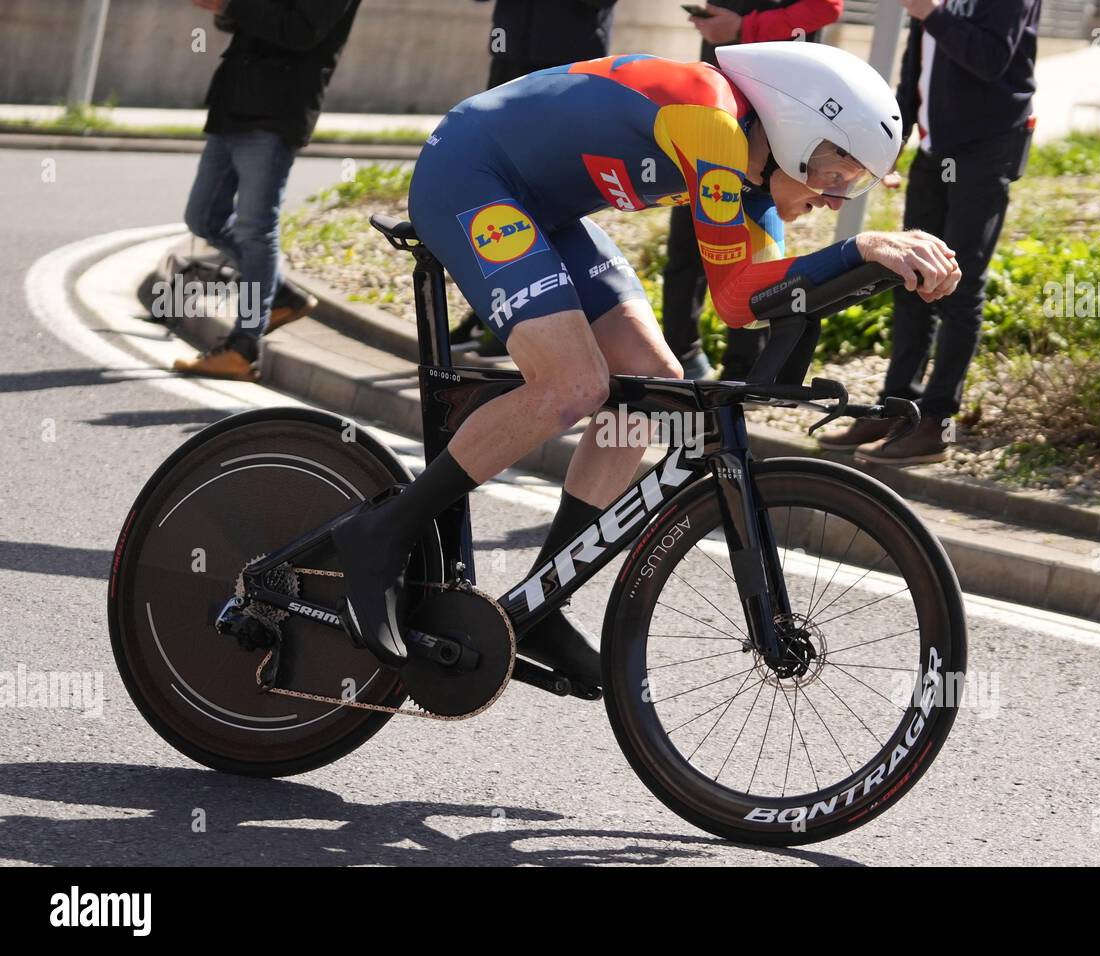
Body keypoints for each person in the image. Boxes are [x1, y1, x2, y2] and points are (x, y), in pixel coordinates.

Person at [333, 44, 960, 693]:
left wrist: (869, 272)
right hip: (471, 174)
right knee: (575, 384)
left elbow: (754, 304)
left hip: (543, 208)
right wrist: (860, 248)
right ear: (801, 131)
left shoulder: (751, 177)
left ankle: (544, 601)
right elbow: (736, 293)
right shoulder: (713, 125)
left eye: (854, 184)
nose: (836, 199)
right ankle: (382, 535)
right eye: (841, 172)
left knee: (652, 395)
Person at [819, 0, 1039, 463]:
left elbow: (991, 57)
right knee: (910, 275)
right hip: (934, 147)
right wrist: (891, 138)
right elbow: (915, 64)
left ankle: (937, 423)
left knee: (960, 283)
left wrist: (932, 12)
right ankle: (898, 408)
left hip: (987, 148)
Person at [173, 0, 362, 382]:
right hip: (232, 100)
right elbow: (238, 23)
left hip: (278, 109)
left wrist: (230, 4)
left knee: (254, 229)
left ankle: (243, 349)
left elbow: (300, 31)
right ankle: (280, 295)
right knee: (203, 218)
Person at [665, 0, 845, 381]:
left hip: (776, 120)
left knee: (755, 257)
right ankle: (679, 361)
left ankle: (746, 375)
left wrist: (744, 27)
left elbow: (826, 7)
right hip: (715, 104)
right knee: (687, 247)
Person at [452, 0, 620, 359]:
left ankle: (538, 319)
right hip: (512, 53)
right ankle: (492, 312)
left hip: (564, 66)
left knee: (553, 193)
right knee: (496, 187)